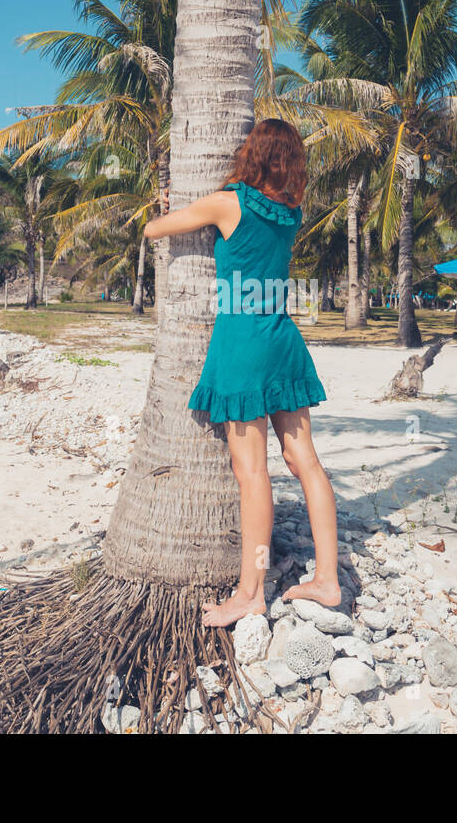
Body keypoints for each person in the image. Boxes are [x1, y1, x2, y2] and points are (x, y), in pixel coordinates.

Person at [143, 119, 338, 627]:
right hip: (282, 338)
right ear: (290, 160)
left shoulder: (228, 202)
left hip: (243, 345)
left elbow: (154, 230)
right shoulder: (290, 211)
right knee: (307, 464)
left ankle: (251, 592)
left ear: (251, 153)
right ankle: (328, 580)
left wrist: (167, 202)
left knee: (252, 475)